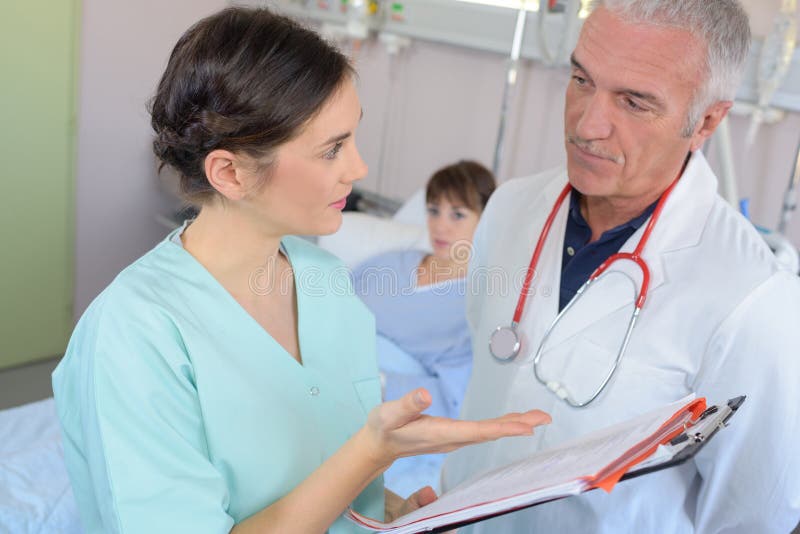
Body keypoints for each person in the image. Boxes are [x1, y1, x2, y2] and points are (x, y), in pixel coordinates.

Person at [51, 8, 551, 533]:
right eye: (332, 149)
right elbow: (353, 456)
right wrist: (371, 455)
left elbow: (322, 473)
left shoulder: (327, 281)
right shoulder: (136, 333)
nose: (357, 170)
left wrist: (388, 509)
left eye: (352, 140)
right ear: (230, 172)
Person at [442, 1, 800, 532]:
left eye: (634, 102)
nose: (588, 125)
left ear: (705, 120)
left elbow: (754, 515)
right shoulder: (511, 208)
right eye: (582, 79)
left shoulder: (751, 297)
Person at [351, 160, 496, 497]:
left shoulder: (478, 307)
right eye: (433, 210)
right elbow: (327, 309)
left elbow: (457, 398)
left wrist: (382, 384)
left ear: (487, 220)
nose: (440, 226)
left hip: (383, 408)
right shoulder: (389, 264)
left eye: (457, 214)